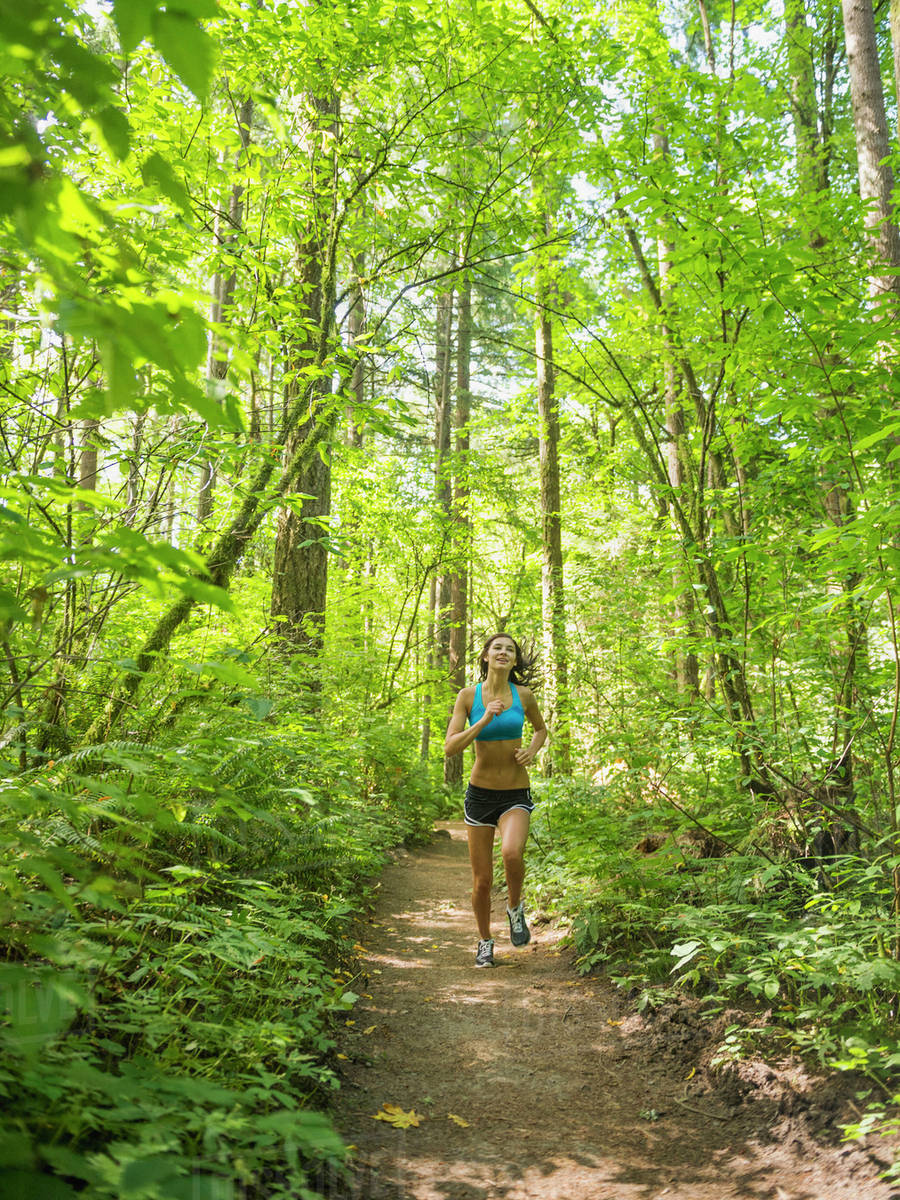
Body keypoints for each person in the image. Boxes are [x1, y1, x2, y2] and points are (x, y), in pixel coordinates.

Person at [444, 633, 548, 967]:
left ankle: (515, 908)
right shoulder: (468, 696)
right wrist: (485, 719)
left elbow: (541, 730)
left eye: (510, 650)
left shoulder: (525, 695)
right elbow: (451, 746)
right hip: (480, 796)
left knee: (512, 851)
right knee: (482, 881)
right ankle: (485, 940)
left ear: (515, 660)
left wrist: (532, 750)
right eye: (497, 648)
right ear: (486, 656)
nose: (503, 652)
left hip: (515, 792)